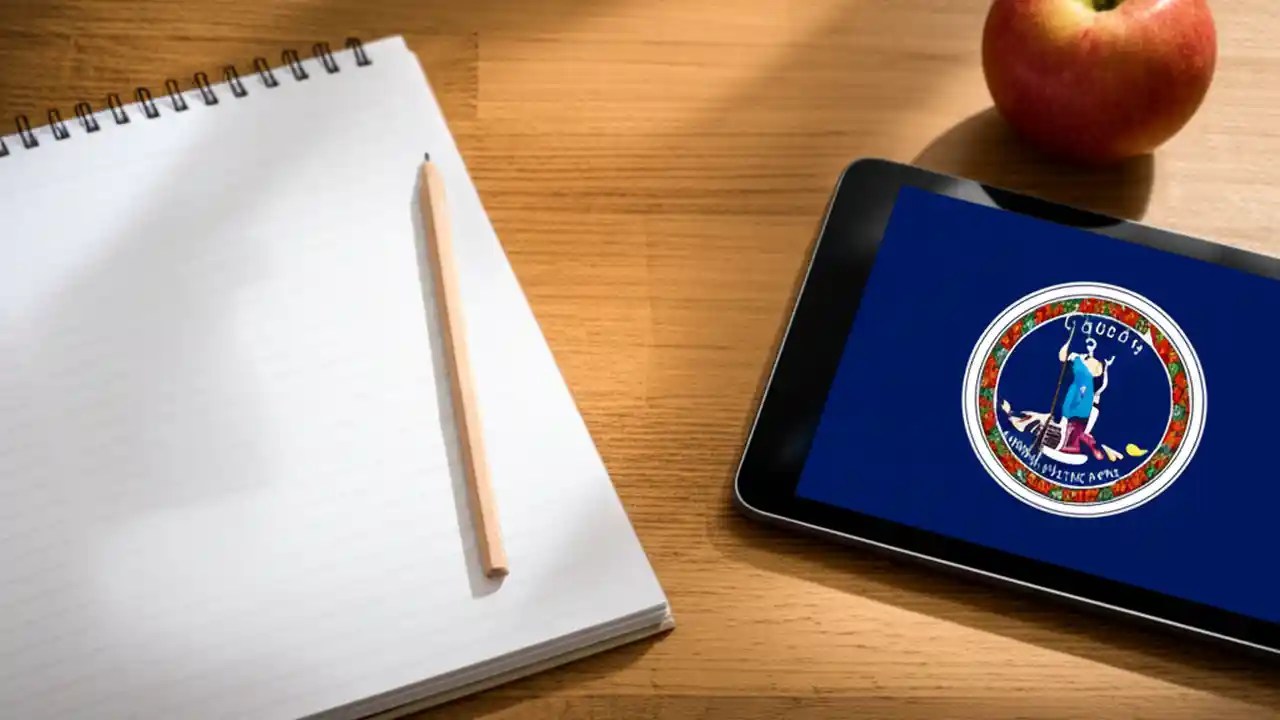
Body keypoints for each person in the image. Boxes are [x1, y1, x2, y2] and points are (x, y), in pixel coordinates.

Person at [1059, 337, 1106, 459]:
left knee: (1075, 425)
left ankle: (1072, 447)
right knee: (1070, 423)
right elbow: (1063, 358)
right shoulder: (1079, 363)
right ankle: (1066, 445)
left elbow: (1095, 375)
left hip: (1081, 401)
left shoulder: (1091, 370)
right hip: (1076, 399)